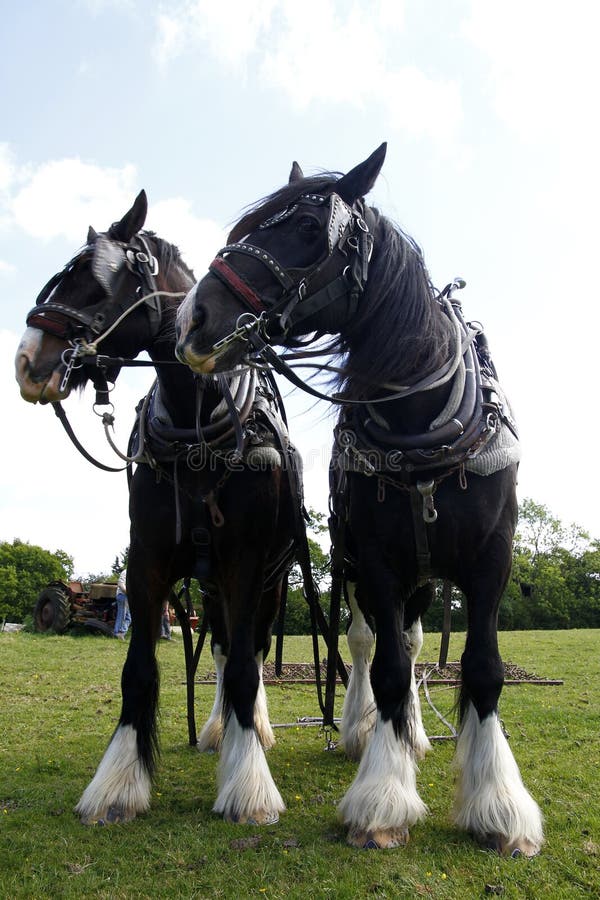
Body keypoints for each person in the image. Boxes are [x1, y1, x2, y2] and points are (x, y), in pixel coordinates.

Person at [114, 568, 131, 639]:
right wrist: (127, 592)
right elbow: (120, 583)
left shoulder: (135, 573)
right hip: (123, 595)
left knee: (129, 617)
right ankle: (117, 633)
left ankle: (122, 633)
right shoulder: (126, 572)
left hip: (130, 598)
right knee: (122, 615)